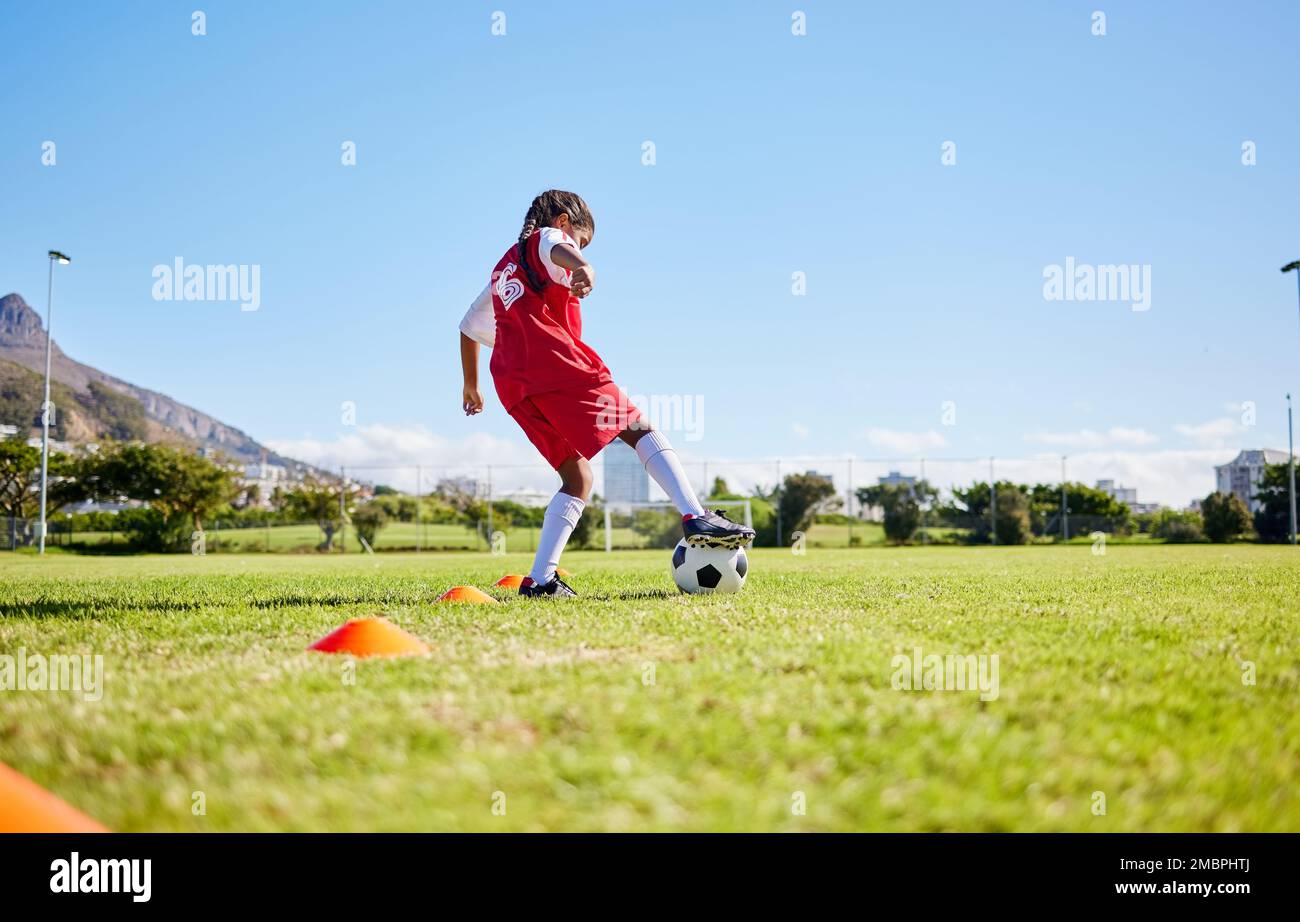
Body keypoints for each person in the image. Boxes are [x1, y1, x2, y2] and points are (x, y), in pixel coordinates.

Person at [458, 190, 754, 597]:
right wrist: (583, 266)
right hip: (554, 363)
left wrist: (471, 385)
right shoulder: (547, 238)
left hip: (513, 385)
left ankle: (541, 580)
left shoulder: (503, 271)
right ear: (564, 223)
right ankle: (694, 515)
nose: (577, 248)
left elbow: (469, 327)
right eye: (580, 240)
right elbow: (556, 246)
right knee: (638, 426)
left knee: (576, 476)